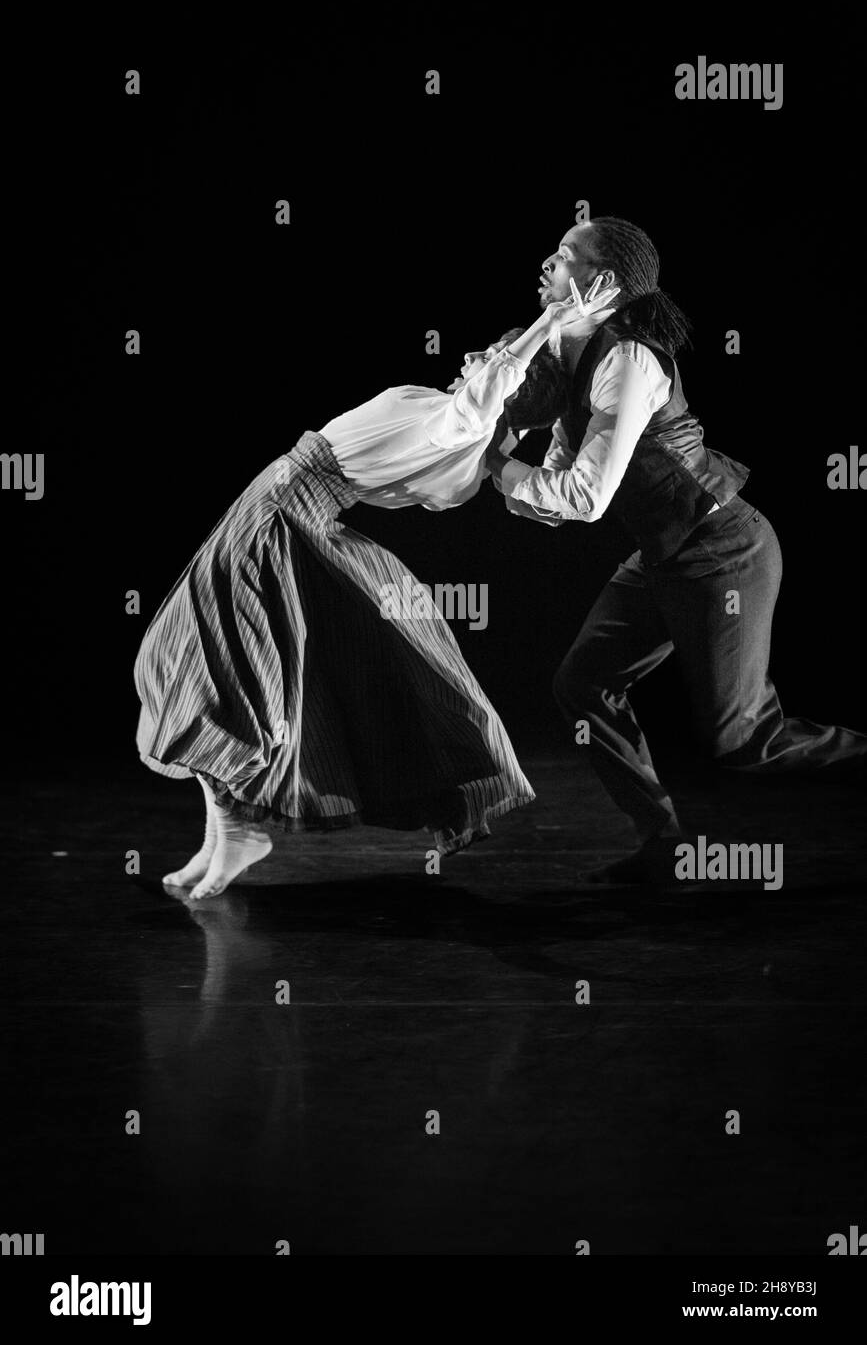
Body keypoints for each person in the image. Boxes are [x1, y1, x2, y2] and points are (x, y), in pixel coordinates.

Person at [133, 285, 617, 899]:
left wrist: (549, 321)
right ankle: (223, 835)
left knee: (208, 676)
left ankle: (237, 832)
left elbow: (484, 403)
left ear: (507, 388)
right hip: (269, 516)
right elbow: (492, 402)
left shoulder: (455, 425)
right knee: (205, 670)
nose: (477, 356)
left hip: (276, 523)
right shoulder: (449, 420)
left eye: (494, 357)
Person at [485, 216, 867, 884]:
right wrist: (499, 432)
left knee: (744, 742)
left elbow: (583, 498)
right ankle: (663, 842)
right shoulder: (572, 356)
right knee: (582, 684)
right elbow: (555, 494)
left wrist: (494, 465)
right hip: (661, 558)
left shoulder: (628, 360)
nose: (546, 263)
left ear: (602, 282)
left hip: (723, 552)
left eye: (564, 255)